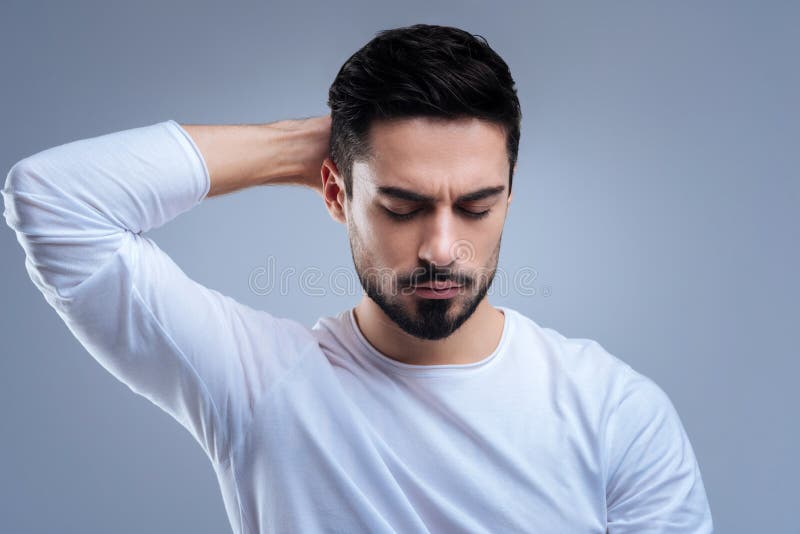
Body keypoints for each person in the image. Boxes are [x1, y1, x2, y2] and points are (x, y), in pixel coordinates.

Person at [2, 23, 713, 534]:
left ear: (510, 194)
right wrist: (304, 144)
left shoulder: (615, 412)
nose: (441, 247)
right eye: (402, 206)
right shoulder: (257, 383)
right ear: (336, 194)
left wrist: (370, 161)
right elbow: (53, 200)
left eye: (476, 206)